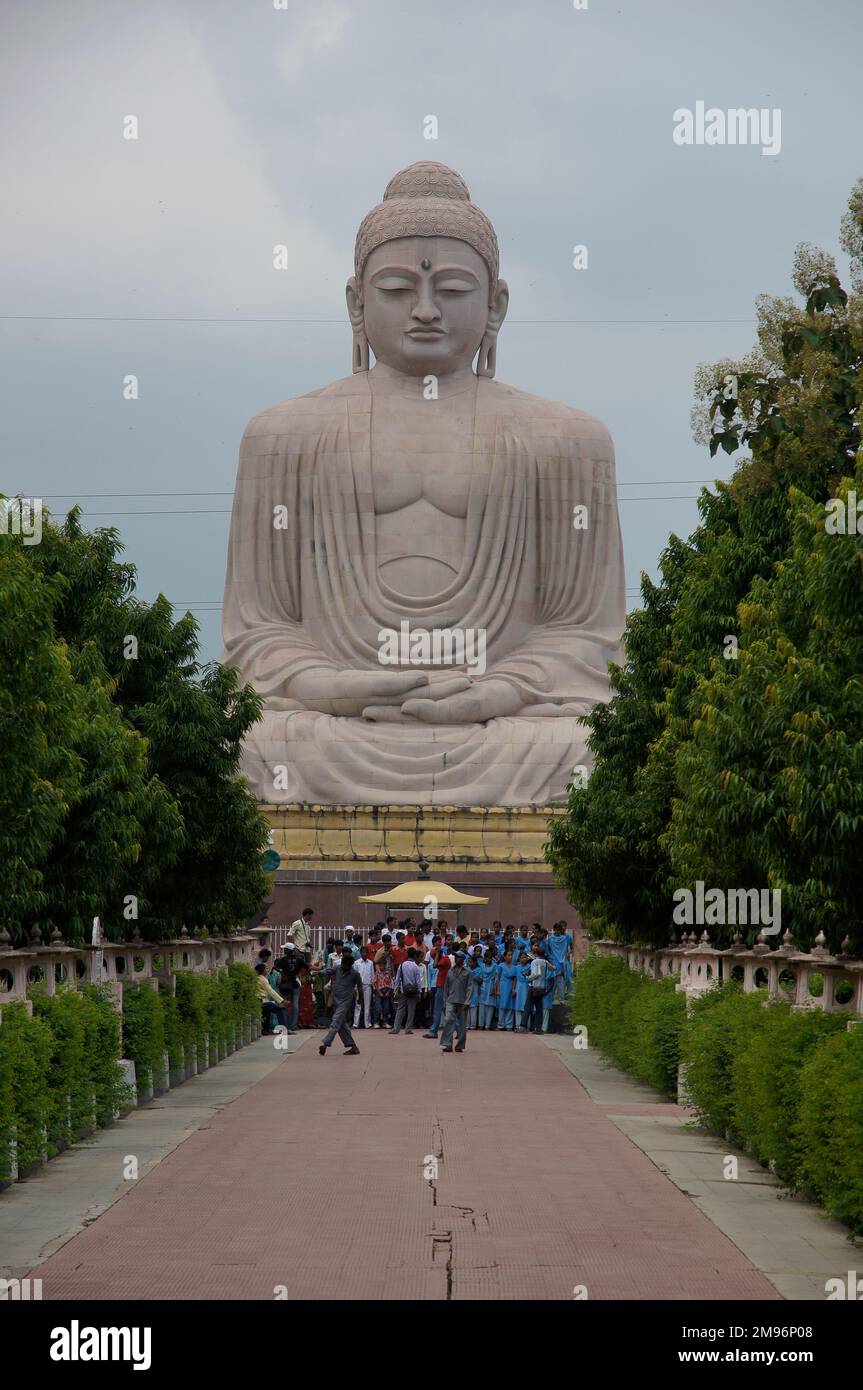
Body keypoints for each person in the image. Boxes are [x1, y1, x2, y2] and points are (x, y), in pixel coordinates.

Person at [316, 948, 361, 1055]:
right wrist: (318, 972)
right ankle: (354, 1047)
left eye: (345, 965)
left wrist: (360, 999)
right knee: (342, 1026)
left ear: (350, 966)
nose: (343, 967)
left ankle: (325, 1044)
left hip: (345, 1003)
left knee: (335, 1022)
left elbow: (360, 988)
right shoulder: (338, 968)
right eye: (342, 964)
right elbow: (328, 971)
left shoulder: (355, 974)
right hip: (336, 1000)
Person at [440, 952, 472, 1053]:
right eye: (456, 957)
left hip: (463, 1001)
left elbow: (470, 988)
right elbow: (446, 987)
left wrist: (468, 1001)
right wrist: (445, 1001)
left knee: (462, 1025)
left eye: (459, 957)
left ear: (463, 959)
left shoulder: (468, 972)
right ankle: (448, 1044)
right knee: (449, 1020)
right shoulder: (450, 971)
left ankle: (460, 1045)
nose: (457, 959)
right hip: (451, 1000)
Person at [422, 936, 450, 1038]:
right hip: (440, 986)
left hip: (442, 987)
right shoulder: (444, 959)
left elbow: (434, 965)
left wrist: (438, 953)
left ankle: (434, 1031)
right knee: (445, 1011)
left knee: (439, 1010)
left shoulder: (444, 960)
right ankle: (459, 1030)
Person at [390, 948, 422, 1034]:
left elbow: (398, 978)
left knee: (400, 1009)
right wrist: (419, 992)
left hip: (403, 990)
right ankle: (408, 1029)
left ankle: (396, 1028)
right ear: (415, 956)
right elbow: (418, 980)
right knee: (411, 1010)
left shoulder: (402, 965)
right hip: (414, 990)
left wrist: (395, 989)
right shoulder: (416, 966)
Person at [273, 942, 302, 1032]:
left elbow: (275, 967)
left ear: (287, 950)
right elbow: (305, 967)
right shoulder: (298, 959)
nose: (284, 950)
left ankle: (285, 1024)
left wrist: (282, 973)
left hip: (285, 985)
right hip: (295, 984)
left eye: (285, 949)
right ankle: (293, 1025)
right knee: (295, 1005)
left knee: (284, 1003)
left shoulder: (283, 960)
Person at [525, 946, 552, 1033]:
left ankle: (523, 1026)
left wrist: (527, 977)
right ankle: (538, 1028)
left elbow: (536, 974)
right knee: (539, 1008)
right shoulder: (545, 962)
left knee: (527, 1006)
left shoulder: (535, 961)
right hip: (542, 987)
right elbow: (553, 968)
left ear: (536, 953)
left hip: (534, 987)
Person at [255, 963, 289, 1034]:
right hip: (262, 1001)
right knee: (280, 1009)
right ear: (262, 970)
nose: (267, 970)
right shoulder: (263, 979)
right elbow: (271, 991)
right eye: (266, 969)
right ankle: (284, 1028)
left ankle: (265, 1030)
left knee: (267, 1012)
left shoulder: (256, 978)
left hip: (259, 1001)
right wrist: (282, 1001)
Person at [547, 920, 574, 1005]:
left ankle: (561, 999)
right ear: (554, 930)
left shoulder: (565, 938)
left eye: (560, 929)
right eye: (557, 929)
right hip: (553, 962)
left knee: (561, 981)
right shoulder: (550, 939)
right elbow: (549, 950)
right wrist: (551, 960)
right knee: (552, 983)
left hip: (562, 962)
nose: (558, 931)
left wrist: (563, 960)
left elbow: (564, 950)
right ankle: (550, 1000)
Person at [373, 938, 395, 1028]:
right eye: (386, 941)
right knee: (378, 1007)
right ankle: (376, 1022)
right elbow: (376, 961)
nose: (388, 943)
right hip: (379, 988)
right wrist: (387, 953)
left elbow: (390, 983)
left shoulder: (394, 949)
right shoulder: (380, 951)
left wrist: (389, 990)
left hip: (388, 981)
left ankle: (385, 1022)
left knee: (387, 1007)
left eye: (389, 941)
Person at [353, 944, 375, 1029]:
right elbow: (354, 975)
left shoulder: (370, 963)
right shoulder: (357, 963)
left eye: (366, 952)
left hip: (368, 985)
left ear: (368, 953)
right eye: (363, 952)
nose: (364, 954)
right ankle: (356, 1023)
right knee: (358, 1004)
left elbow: (372, 975)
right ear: (360, 953)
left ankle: (367, 1023)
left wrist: (372, 986)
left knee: (367, 1005)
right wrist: (355, 987)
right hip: (359, 986)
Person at [496, 947, 519, 1031]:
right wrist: (498, 990)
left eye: (511, 955)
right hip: (502, 986)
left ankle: (509, 1025)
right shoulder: (500, 966)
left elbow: (515, 979)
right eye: (509, 955)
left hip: (510, 987)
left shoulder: (514, 967)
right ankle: (500, 1025)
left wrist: (513, 989)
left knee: (510, 1006)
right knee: (502, 1006)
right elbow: (497, 978)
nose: (510, 957)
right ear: (504, 957)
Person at [478, 949, 498, 1028]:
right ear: (485, 958)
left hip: (491, 986)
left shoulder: (495, 966)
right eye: (487, 958)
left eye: (490, 958)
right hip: (483, 986)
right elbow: (480, 977)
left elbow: (496, 978)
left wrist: (494, 989)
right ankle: (480, 1025)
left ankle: (487, 1025)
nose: (488, 959)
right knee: (482, 1006)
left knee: (490, 1007)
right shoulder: (482, 966)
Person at [515, 951, 532, 1031]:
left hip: (527, 987)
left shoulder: (530, 967)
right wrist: (513, 989)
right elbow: (515, 978)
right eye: (522, 957)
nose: (524, 959)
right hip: (519, 987)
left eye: (525, 957)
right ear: (519, 959)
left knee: (526, 1006)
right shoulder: (517, 967)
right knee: (518, 1006)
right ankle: (518, 1025)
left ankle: (526, 1026)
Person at [467, 953, 482, 1029]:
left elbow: (480, 981)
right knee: (467, 1008)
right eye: (469, 962)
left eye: (471, 962)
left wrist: (473, 976)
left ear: (475, 962)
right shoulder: (467, 969)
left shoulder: (479, 970)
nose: (469, 963)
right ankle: (467, 1025)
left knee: (473, 1009)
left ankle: (473, 1025)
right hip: (467, 991)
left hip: (475, 990)